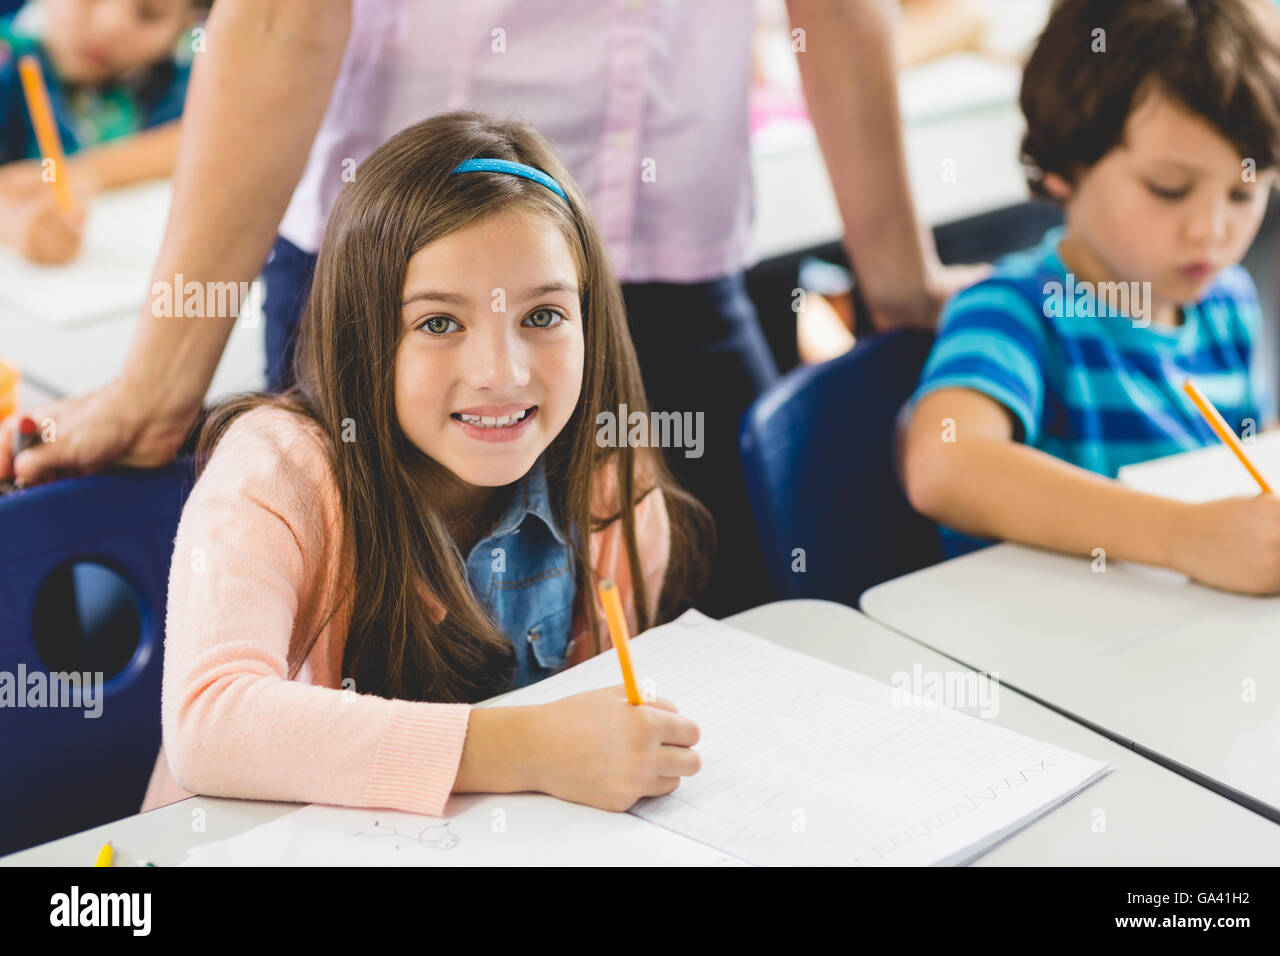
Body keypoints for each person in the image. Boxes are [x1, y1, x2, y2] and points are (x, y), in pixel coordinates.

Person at [0, 0, 982, 616]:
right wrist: (160, 386)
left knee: (730, 653)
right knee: (379, 665)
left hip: (674, 254)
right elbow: (279, 16)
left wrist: (897, 280)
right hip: (394, 278)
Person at [141, 112, 714, 816]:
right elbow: (211, 725)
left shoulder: (608, 484)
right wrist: (524, 747)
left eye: (543, 316)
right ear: (365, 334)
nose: (500, 374)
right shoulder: (279, 474)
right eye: (439, 323)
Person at [902, 0, 1280, 595]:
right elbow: (943, 466)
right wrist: (1184, 537)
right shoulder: (1016, 312)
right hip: (1039, 655)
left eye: (1244, 195)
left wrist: (1277, 448)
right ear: (1065, 165)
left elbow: (1221, 452)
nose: (1211, 231)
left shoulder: (1228, 305)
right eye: (1169, 189)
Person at [0, 0, 205, 262]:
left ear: (183, 26)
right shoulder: (8, 63)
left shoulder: (173, 72)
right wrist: (11, 224)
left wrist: (86, 174)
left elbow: (202, 140)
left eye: (150, 14)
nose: (112, 25)